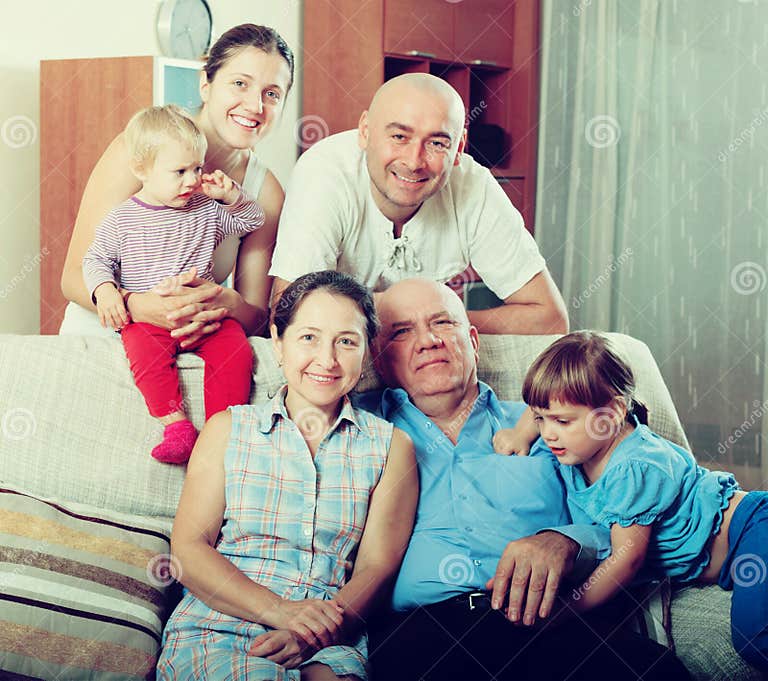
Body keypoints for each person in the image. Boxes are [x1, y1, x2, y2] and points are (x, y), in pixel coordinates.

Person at [356, 278, 690, 680]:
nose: (428, 341)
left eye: (443, 323)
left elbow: (626, 517)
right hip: (422, 632)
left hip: (542, 622)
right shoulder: (361, 429)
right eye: (403, 331)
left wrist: (567, 540)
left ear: (473, 341)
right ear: (380, 356)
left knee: (658, 673)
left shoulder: (555, 425)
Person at [156, 271, 418, 680]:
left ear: (367, 352)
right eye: (308, 337)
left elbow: (377, 567)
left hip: (330, 632)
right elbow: (188, 549)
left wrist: (312, 633)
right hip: (220, 622)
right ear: (278, 342)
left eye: (346, 341)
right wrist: (278, 611)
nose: (327, 360)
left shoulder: (391, 446)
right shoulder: (229, 429)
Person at [492, 331, 767, 672]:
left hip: (754, 532)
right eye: (540, 418)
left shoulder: (632, 468)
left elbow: (627, 560)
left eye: (562, 422)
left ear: (614, 412)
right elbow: (545, 408)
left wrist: (568, 611)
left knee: (754, 639)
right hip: (735, 558)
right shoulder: (575, 442)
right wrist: (520, 433)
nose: (548, 433)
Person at [269, 73, 568, 335]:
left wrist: (440, 319)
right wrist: (418, 312)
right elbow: (287, 311)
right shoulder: (323, 172)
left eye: (437, 143)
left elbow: (551, 318)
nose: (414, 162)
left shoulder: (475, 185)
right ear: (365, 132)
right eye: (399, 136)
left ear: (460, 147)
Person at [61, 24, 293, 343]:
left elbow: (256, 319)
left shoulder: (264, 192)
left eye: (272, 94)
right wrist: (134, 305)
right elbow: (73, 277)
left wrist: (230, 305)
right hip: (101, 338)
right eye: (240, 83)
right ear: (205, 84)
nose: (255, 106)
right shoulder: (139, 150)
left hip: (187, 351)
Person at [82, 105, 263, 464]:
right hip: (150, 321)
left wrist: (232, 197)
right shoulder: (122, 219)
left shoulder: (206, 209)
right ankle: (176, 425)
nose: (192, 180)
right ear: (141, 170)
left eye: (197, 168)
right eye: (179, 171)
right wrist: (105, 290)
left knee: (236, 350)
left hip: (205, 316)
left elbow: (253, 219)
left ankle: (220, 430)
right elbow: (95, 260)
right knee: (140, 351)